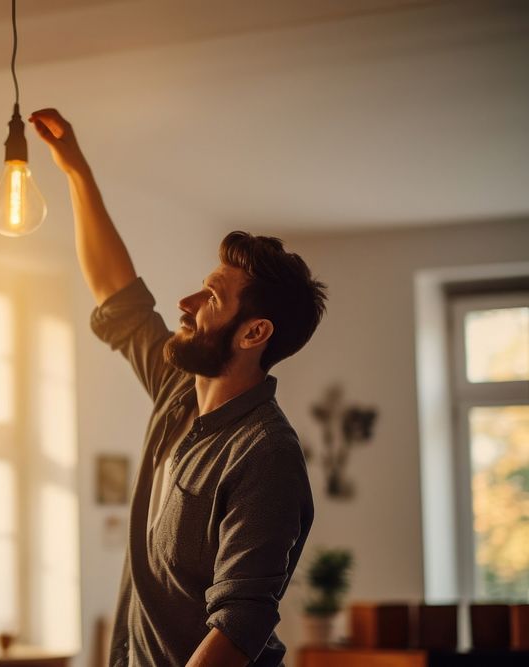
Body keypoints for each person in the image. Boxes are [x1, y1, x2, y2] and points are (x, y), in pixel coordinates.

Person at [28, 108, 327, 667]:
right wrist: (75, 169)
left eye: (211, 297)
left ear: (254, 332)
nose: (185, 304)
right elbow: (118, 295)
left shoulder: (266, 454)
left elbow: (239, 627)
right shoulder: (177, 389)